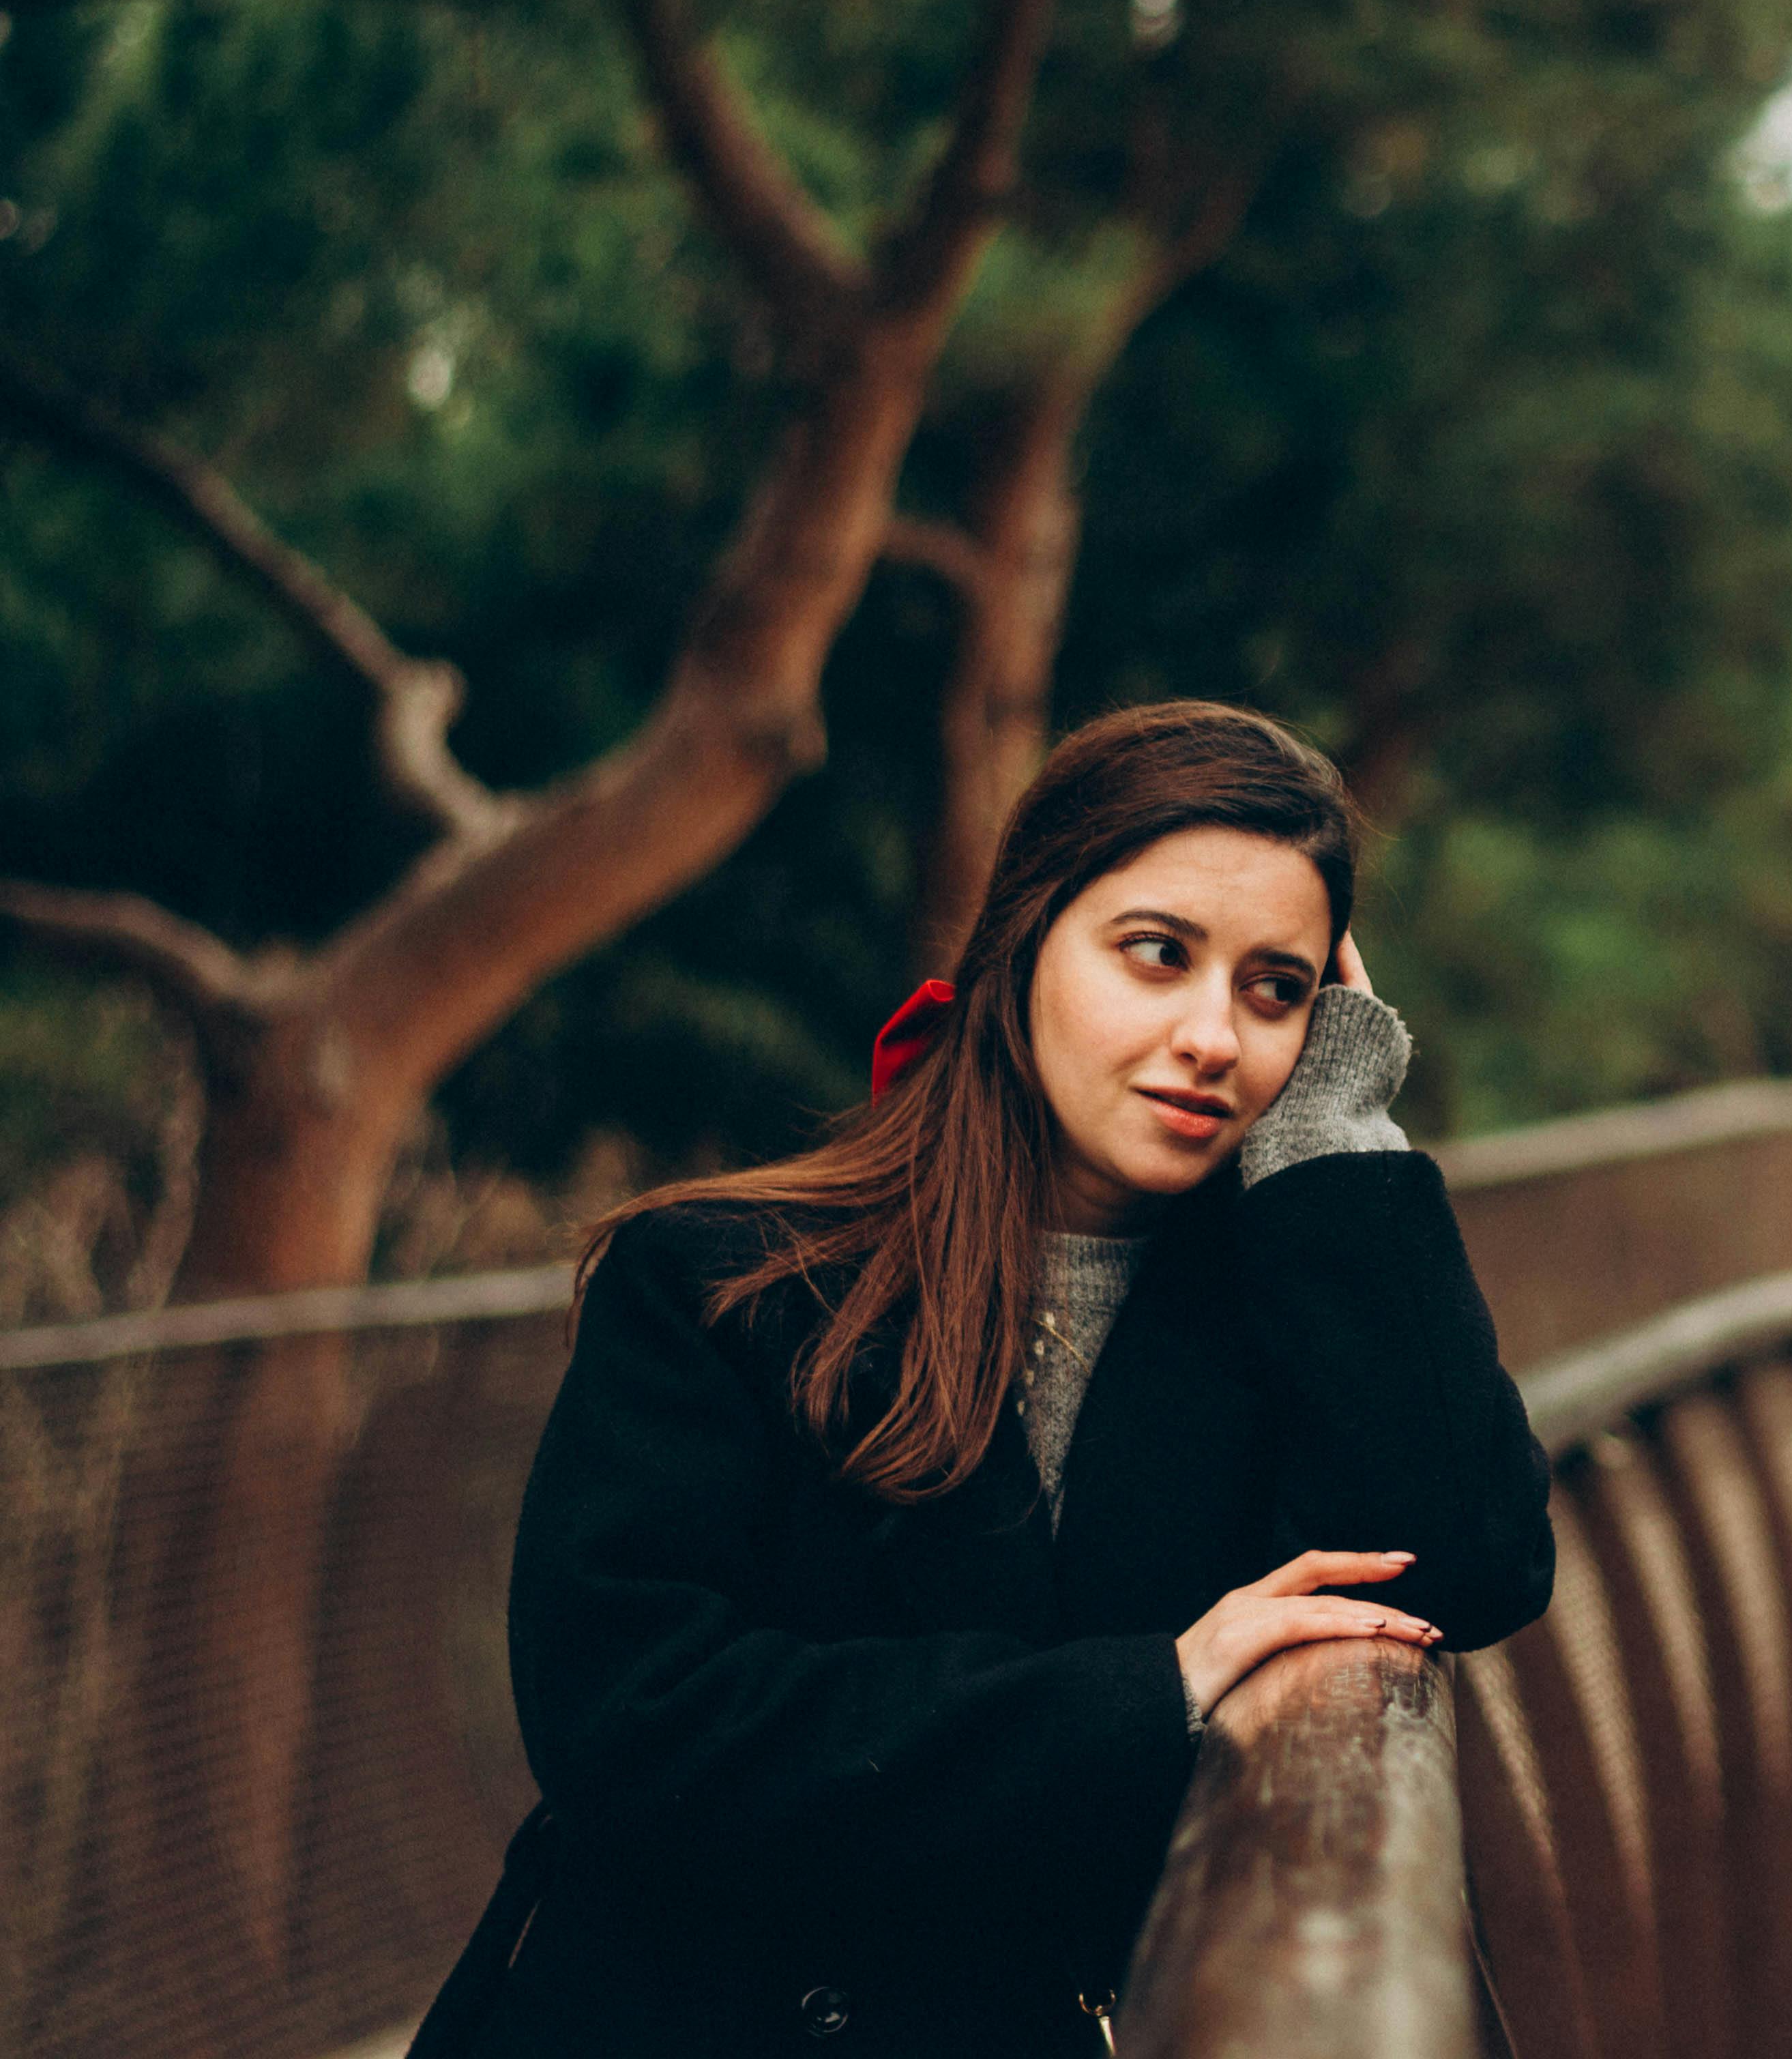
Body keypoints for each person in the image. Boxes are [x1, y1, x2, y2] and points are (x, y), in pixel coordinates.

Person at [411, 701, 1557, 2058]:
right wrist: (1155, 1690)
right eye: (1155, 955)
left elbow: (1468, 1562)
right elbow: (632, 1726)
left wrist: (1333, 1118)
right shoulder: (728, 1281)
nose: (1212, 1035)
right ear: (1021, 948)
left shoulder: (1281, 1311)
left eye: (1274, 990)